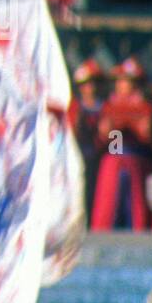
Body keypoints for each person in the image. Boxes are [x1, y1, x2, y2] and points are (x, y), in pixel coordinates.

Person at [90, 58, 152, 231]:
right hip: (117, 160)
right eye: (121, 81)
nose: (124, 85)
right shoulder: (110, 107)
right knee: (113, 170)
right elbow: (112, 143)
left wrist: (146, 134)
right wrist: (109, 132)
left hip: (138, 162)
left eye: (129, 81)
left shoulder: (146, 107)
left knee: (137, 209)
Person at [68, 58, 105, 220]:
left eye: (94, 83)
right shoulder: (74, 107)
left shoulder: (106, 107)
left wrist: (110, 142)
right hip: (76, 157)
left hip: (99, 160)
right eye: (86, 84)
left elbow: (115, 142)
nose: (91, 88)